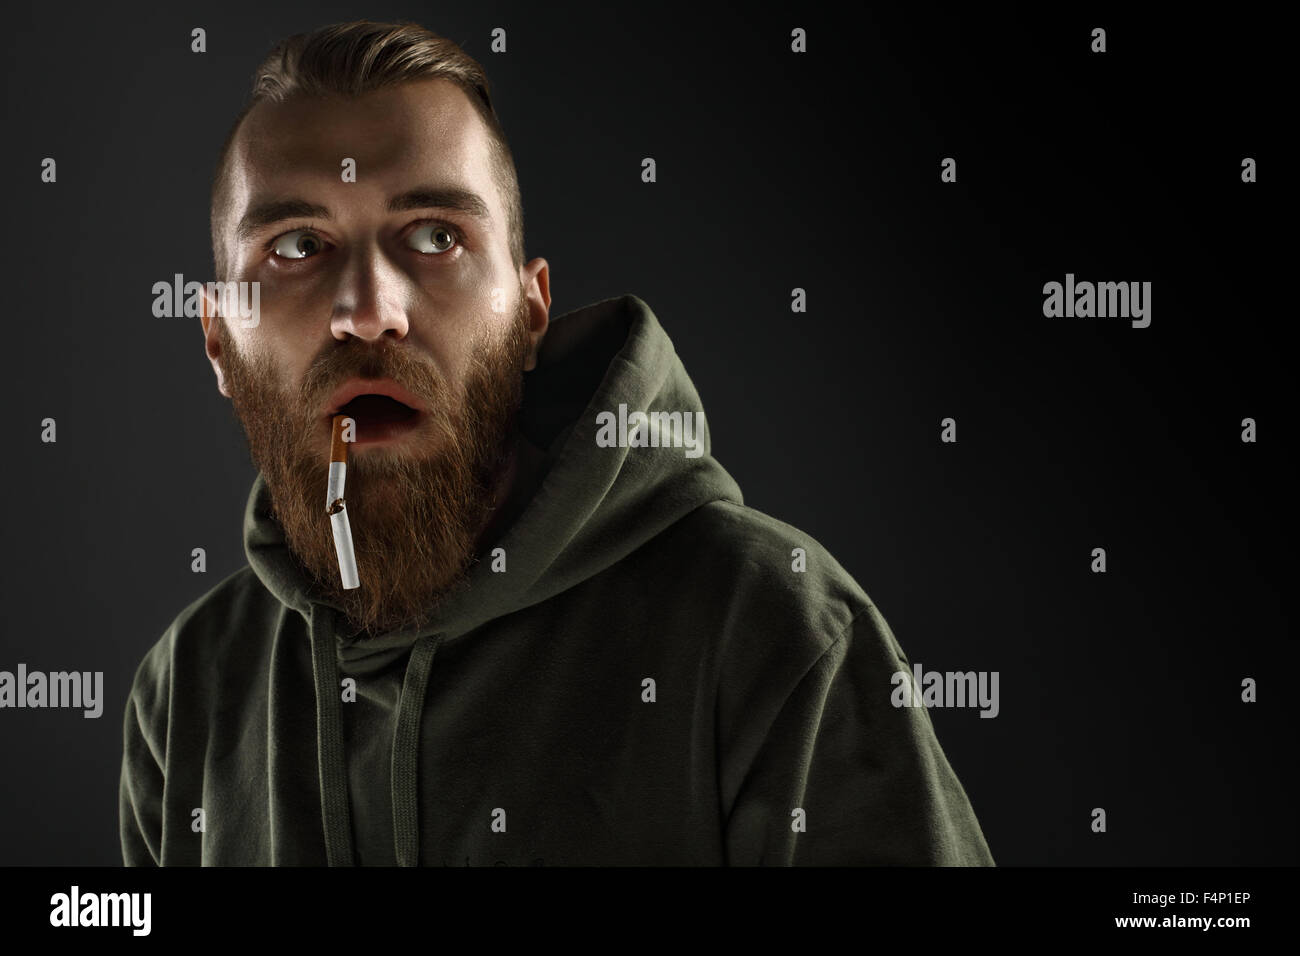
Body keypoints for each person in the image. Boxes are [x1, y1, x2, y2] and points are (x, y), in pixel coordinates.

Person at [119, 19, 995, 866]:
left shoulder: (773, 631)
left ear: (531, 311)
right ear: (217, 341)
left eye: (434, 236)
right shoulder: (187, 689)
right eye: (297, 245)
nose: (368, 311)